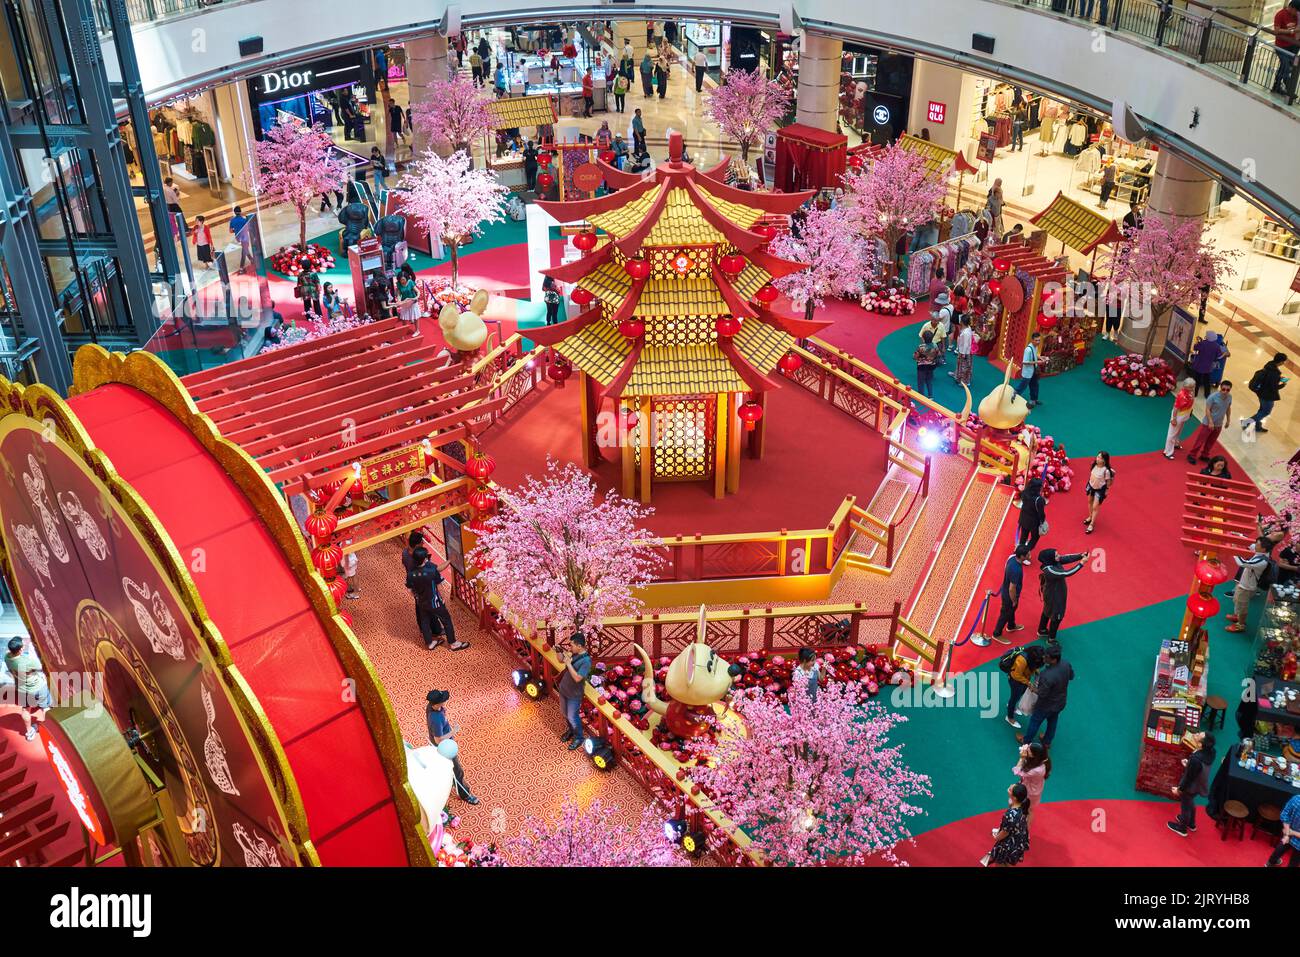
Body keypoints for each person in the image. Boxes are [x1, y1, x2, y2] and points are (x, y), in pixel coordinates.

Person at [407, 546, 469, 651]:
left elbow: (409, 590)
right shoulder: (431, 570)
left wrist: (418, 597)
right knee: (446, 621)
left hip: (421, 603)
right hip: (435, 602)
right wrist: (443, 598)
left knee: (425, 622)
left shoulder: (411, 573)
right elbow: (440, 584)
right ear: (424, 559)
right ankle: (453, 643)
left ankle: (430, 643)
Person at [425, 690, 478, 804]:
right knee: (457, 770)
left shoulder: (431, 707)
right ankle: (465, 794)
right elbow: (438, 740)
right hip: (445, 748)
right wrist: (453, 731)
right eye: (443, 700)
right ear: (437, 704)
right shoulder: (435, 719)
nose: (445, 701)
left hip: (445, 743)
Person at [1018, 644, 1073, 748]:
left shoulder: (1046, 675)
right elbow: (1071, 676)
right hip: (1060, 702)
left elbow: (1042, 693)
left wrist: (1034, 689)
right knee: (1053, 720)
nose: (1044, 657)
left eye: (1046, 657)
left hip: (1045, 705)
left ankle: (1026, 741)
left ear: (1053, 660)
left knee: (1035, 721)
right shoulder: (1066, 664)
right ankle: (1047, 741)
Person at [1167, 731, 1215, 836]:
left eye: (1199, 735)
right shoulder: (1211, 752)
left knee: (1185, 807)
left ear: (1201, 744)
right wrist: (1189, 765)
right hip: (1199, 785)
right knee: (1190, 802)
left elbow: (1189, 778)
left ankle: (1182, 828)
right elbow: (1197, 770)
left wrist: (1179, 790)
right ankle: (1191, 824)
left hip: (1191, 787)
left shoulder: (1196, 760)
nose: (1196, 734)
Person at [1037, 548, 1089, 643]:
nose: (1059, 556)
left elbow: (1067, 558)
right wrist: (1081, 563)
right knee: (1057, 616)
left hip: (1052, 593)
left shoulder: (1052, 562)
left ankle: (1042, 630)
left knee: (1047, 611)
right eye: (1056, 555)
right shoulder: (1050, 570)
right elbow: (1067, 573)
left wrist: (1080, 555)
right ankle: (1051, 639)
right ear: (1050, 558)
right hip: (1055, 596)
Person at [5, 636, 50, 740]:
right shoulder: (28, 661)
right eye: (22, 645)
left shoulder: (7, 657)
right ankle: (50, 729)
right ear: (20, 649)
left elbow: (10, 653)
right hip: (38, 687)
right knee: (45, 708)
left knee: (25, 709)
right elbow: (40, 667)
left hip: (23, 689)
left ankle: (29, 732)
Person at [1225, 537, 1271, 633]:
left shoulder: (1262, 561)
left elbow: (1242, 563)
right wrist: (1237, 537)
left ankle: (1240, 625)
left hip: (1247, 587)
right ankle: (1237, 616)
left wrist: (1233, 550)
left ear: (1263, 549)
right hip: (1244, 583)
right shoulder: (1261, 552)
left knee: (1242, 606)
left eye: (1257, 544)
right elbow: (1250, 545)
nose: (1255, 545)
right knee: (1237, 600)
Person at [557, 634, 593, 750]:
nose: (569, 647)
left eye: (571, 645)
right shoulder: (574, 653)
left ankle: (579, 737)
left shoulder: (586, 661)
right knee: (564, 713)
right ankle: (571, 731)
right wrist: (558, 651)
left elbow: (578, 678)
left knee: (572, 716)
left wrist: (568, 664)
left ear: (579, 646)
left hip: (574, 694)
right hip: (564, 689)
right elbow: (561, 660)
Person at [982, 783, 1031, 866]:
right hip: (1017, 841)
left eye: (1010, 789)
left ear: (1014, 798)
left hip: (1008, 845)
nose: (1009, 787)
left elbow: (1005, 832)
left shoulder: (1010, 814)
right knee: (1007, 863)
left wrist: (996, 837)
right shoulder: (1023, 807)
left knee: (1000, 863)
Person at [1186, 380, 1232, 462]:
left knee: (1211, 441)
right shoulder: (1213, 397)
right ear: (1220, 388)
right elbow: (1207, 409)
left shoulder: (1229, 397)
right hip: (1208, 423)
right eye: (1223, 389)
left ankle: (1204, 455)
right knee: (1201, 440)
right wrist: (1210, 422)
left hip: (1219, 424)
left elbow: (1228, 408)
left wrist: (1228, 420)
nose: (1225, 392)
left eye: (1227, 390)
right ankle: (1192, 455)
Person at [993, 544, 1031, 642]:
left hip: (1006, 592)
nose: (1029, 555)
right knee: (1005, 613)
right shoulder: (1016, 570)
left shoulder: (1012, 558)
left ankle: (1011, 625)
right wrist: (1014, 600)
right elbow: (1012, 588)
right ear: (1022, 556)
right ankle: (997, 634)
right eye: (1027, 554)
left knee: (1012, 610)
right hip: (1009, 596)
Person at [1002, 641, 1042, 730]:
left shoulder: (1032, 660)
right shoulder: (1022, 660)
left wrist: (1035, 671)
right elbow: (1016, 675)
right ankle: (1009, 717)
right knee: (1015, 697)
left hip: (1024, 680)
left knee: (1019, 695)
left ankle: (1011, 705)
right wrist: (1028, 683)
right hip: (1015, 680)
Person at [1243, 352, 1287, 434]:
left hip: (1261, 392)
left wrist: (1278, 378)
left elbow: (1268, 379)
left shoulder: (1269, 365)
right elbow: (1273, 387)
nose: (1284, 363)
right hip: (1267, 396)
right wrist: (1283, 385)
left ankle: (1257, 426)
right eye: (1284, 361)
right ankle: (1246, 422)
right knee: (1266, 412)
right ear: (1281, 361)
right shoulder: (1275, 373)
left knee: (1262, 410)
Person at [1012, 741, 1050, 821]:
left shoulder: (1037, 770)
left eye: (1029, 749)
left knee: (1025, 809)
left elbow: (1017, 771)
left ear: (1033, 755)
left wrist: (1022, 758)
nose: (1026, 749)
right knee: (1027, 809)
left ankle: (1020, 828)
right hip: (1032, 787)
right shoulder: (1040, 761)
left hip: (1030, 792)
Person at [1272, 0, 1300, 97]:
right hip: (1281, 46)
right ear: (1291, 7)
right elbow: (1276, 30)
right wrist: (1293, 31)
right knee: (1286, 67)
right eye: (1296, 11)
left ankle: (1276, 86)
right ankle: (1288, 89)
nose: (1297, 13)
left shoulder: (1297, 15)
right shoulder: (1280, 14)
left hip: (1293, 46)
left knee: (1287, 67)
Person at [1163, 378, 1195, 460]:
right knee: (1172, 433)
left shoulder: (1191, 392)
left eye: (1193, 386)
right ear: (1184, 386)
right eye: (1190, 387)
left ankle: (1176, 443)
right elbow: (1176, 408)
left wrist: (1190, 412)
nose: (1192, 388)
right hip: (1178, 416)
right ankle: (1167, 452)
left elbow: (1191, 403)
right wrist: (1174, 419)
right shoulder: (1181, 395)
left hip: (1185, 414)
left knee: (1179, 431)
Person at [1083, 451, 1114, 534]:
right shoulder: (1094, 465)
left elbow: (1108, 482)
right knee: (1089, 502)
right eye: (1097, 456)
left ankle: (1092, 524)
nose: (1097, 459)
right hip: (1091, 486)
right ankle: (1090, 516)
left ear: (1104, 460)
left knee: (1095, 506)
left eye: (1100, 458)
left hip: (1099, 490)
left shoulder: (1106, 471)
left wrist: (1106, 490)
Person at [1187, 333, 1225, 398]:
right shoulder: (1216, 346)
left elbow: (1195, 348)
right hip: (1208, 367)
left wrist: (1197, 343)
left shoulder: (1203, 343)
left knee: (1197, 381)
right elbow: (1219, 356)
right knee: (1207, 382)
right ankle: (1207, 395)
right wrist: (1224, 353)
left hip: (1199, 365)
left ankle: (1195, 394)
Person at [1017, 477, 1047, 557]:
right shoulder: (1039, 500)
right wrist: (1043, 521)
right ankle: (1025, 552)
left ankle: (1019, 551)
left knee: (1023, 536)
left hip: (1023, 518)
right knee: (1035, 537)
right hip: (1033, 522)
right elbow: (1041, 513)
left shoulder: (1024, 493)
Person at [1268, 793, 1300, 867]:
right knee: (1295, 861)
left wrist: (1287, 833)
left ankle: (1270, 863)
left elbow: (1284, 814)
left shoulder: (1296, 798)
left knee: (1283, 844)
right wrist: (1291, 833)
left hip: (1289, 832)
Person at [1011, 332, 1041, 408]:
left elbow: (1034, 356)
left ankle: (1033, 400)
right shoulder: (1028, 350)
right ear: (1032, 340)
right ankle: (1014, 396)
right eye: (1036, 340)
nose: (1038, 342)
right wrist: (1037, 362)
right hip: (1028, 372)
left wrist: (1041, 357)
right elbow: (1025, 362)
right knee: (1023, 385)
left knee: (1035, 385)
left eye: (1039, 340)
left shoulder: (1035, 347)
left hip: (1033, 370)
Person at [913, 330, 940, 398]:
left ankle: (921, 395)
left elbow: (915, 356)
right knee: (929, 380)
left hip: (922, 366)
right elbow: (939, 354)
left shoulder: (921, 347)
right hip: (931, 366)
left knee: (920, 381)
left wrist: (915, 357)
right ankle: (930, 395)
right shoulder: (935, 345)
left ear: (923, 338)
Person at [949, 316, 974, 386]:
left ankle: (965, 382)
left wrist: (963, 354)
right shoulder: (967, 328)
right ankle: (957, 375)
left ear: (962, 322)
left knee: (964, 367)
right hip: (962, 350)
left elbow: (966, 344)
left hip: (965, 352)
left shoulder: (966, 332)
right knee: (960, 364)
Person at [229, 206, 252, 271]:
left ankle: (252, 259)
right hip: (244, 237)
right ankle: (241, 267)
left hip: (238, 238)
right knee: (244, 251)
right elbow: (248, 229)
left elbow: (230, 231)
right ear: (240, 211)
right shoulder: (244, 220)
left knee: (245, 249)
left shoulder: (232, 220)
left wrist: (236, 230)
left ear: (234, 212)